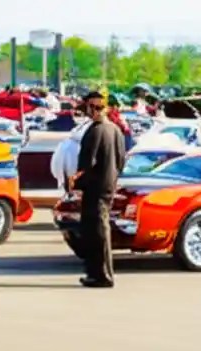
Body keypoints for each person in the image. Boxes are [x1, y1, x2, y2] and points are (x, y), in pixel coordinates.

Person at [73, 92, 126, 288]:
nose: (94, 111)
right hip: (108, 186)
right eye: (91, 107)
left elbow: (86, 163)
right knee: (99, 230)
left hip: (96, 188)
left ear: (106, 108)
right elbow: (122, 161)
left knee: (96, 232)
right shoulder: (115, 130)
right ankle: (98, 273)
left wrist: (77, 183)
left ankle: (101, 275)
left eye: (98, 107)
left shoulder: (95, 131)